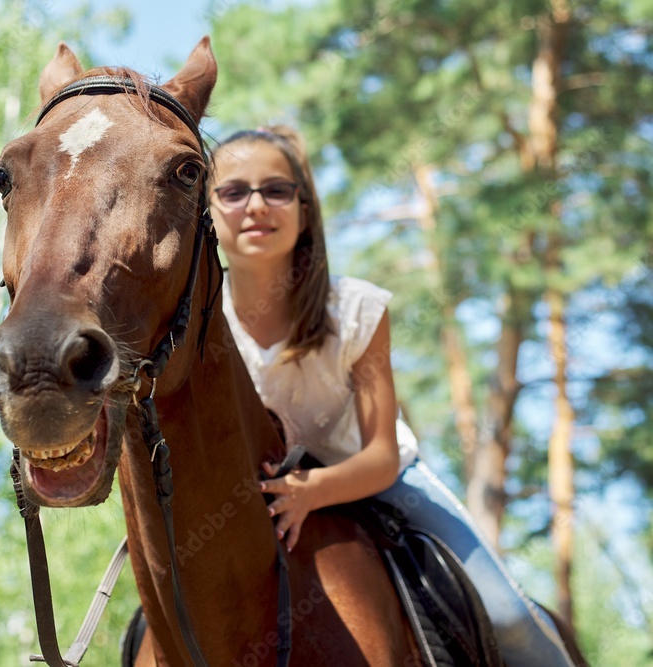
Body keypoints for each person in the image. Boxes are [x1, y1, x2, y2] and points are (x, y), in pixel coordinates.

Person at [209, 125, 575, 666]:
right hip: (254, 498)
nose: (256, 204)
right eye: (234, 191)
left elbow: (380, 454)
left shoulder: (358, 311)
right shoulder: (197, 322)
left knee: (511, 619)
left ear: (304, 210)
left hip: (379, 482)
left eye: (276, 190)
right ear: (208, 211)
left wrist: (312, 490)